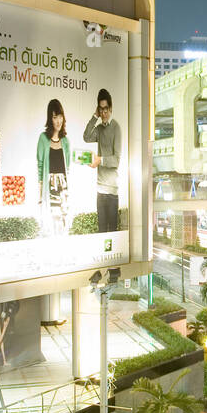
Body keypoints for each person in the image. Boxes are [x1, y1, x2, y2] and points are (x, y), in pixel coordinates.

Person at [84, 88, 122, 283]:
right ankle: (100, 270)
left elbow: (116, 159)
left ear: (111, 108)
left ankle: (114, 270)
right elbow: (86, 136)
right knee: (101, 233)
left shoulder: (116, 128)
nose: (104, 112)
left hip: (112, 190)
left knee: (112, 232)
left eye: (106, 109)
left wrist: (100, 161)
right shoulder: (99, 129)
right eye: (101, 109)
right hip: (100, 189)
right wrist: (93, 116)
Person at [36, 99, 72, 235]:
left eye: (60, 116)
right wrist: (40, 196)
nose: (58, 121)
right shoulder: (43, 138)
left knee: (63, 223)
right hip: (49, 186)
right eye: (55, 117)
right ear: (50, 119)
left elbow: (67, 168)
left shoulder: (66, 141)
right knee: (51, 224)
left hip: (63, 187)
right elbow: (40, 167)